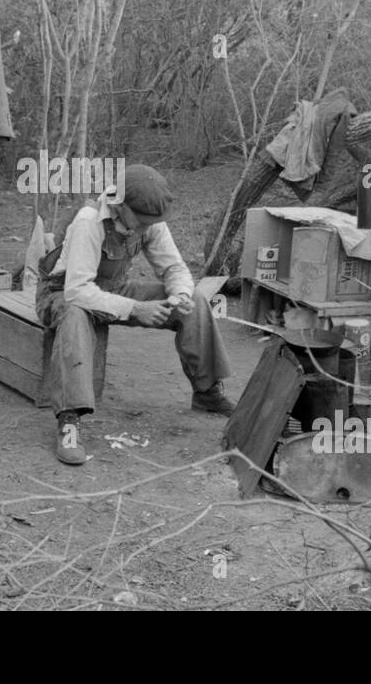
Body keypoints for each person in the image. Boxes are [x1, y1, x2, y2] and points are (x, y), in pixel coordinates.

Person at [37, 164, 234, 465]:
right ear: (119, 205)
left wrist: (179, 295)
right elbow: (77, 291)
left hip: (113, 289)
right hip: (62, 294)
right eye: (140, 221)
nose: (145, 228)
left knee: (194, 299)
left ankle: (206, 391)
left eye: (149, 223)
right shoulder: (89, 222)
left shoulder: (150, 221)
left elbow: (174, 268)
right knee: (75, 314)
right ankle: (69, 421)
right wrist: (137, 309)